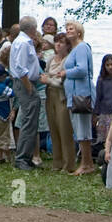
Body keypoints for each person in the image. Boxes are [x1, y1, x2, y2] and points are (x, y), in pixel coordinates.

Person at [60, 19, 95, 175]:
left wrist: (66, 73)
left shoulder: (81, 48)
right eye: (67, 28)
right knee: (79, 129)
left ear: (79, 32)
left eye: (71, 28)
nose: (68, 31)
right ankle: (86, 163)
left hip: (81, 95)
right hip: (73, 95)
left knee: (83, 129)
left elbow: (82, 70)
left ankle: (86, 164)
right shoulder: (73, 49)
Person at [9, 15, 41, 170]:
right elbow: (21, 67)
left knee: (31, 120)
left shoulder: (21, 41)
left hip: (25, 82)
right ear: (32, 29)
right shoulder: (23, 43)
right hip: (24, 83)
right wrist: (28, 86)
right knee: (29, 121)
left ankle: (26, 157)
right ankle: (22, 158)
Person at [42, 32, 75, 172]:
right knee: (53, 129)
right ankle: (57, 162)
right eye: (56, 42)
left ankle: (68, 164)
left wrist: (49, 79)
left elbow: (62, 82)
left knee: (64, 130)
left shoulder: (68, 60)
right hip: (50, 95)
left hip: (62, 96)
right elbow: (46, 73)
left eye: (61, 42)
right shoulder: (51, 59)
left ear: (68, 45)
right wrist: (49, 78)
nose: (58, 45)